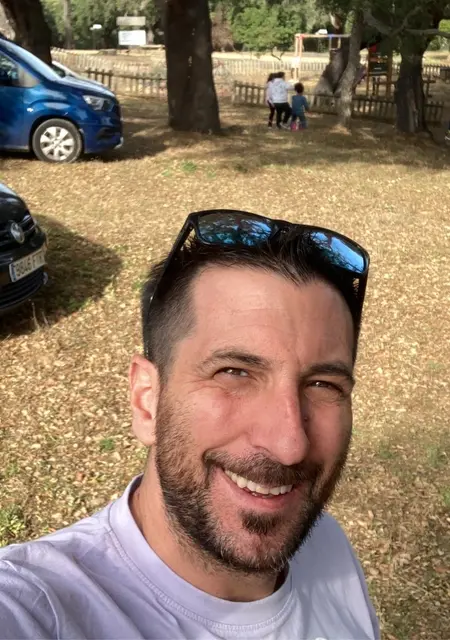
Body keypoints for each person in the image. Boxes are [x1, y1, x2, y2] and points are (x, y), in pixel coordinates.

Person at [0, 209, 379, 640]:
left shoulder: (327, 545)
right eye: (234, 372)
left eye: (323, 384)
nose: (290, 444)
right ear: (147, 400)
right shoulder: (39, 608)